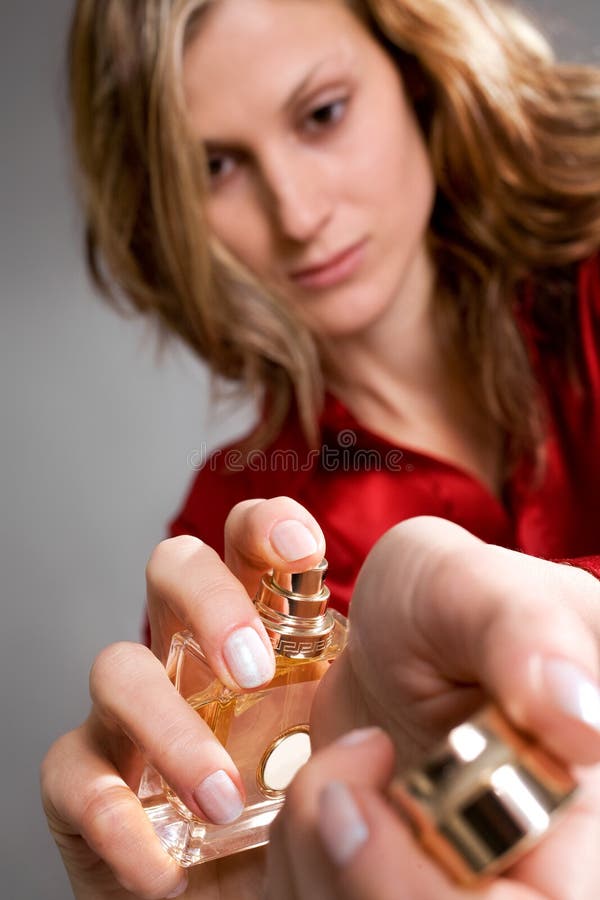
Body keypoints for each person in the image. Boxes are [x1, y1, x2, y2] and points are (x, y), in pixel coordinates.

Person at [40, 0, 600, 896]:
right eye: (217, 166)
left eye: (322, 114)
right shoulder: (237, 537)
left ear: (417, 71)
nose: (298, 215)